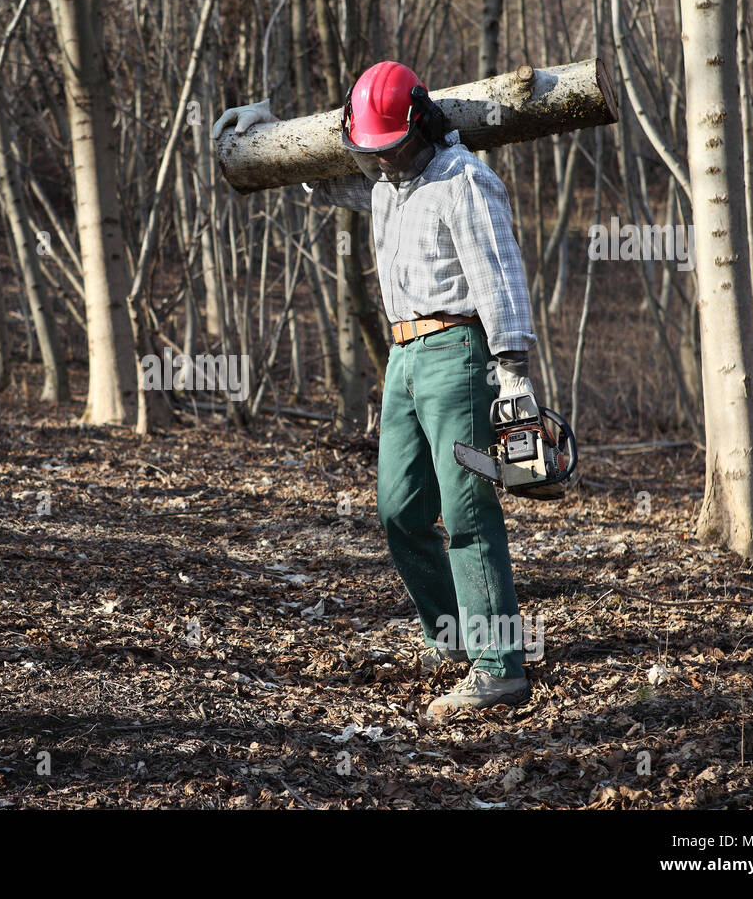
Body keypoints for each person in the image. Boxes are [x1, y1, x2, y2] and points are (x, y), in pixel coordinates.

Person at [213, 61, 537, 716]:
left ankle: (498, 665)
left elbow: (500, 277)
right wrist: (267, 133)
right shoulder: (388, 179)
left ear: (421, 124)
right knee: (399, 509)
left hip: (459, 354)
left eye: (393, 150)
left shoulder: (463, 180)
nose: (384, 163)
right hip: (404, 358)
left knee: (468, 514)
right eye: (373, 154)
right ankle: (449, 631)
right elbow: (327, 185)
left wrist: (512, 376)